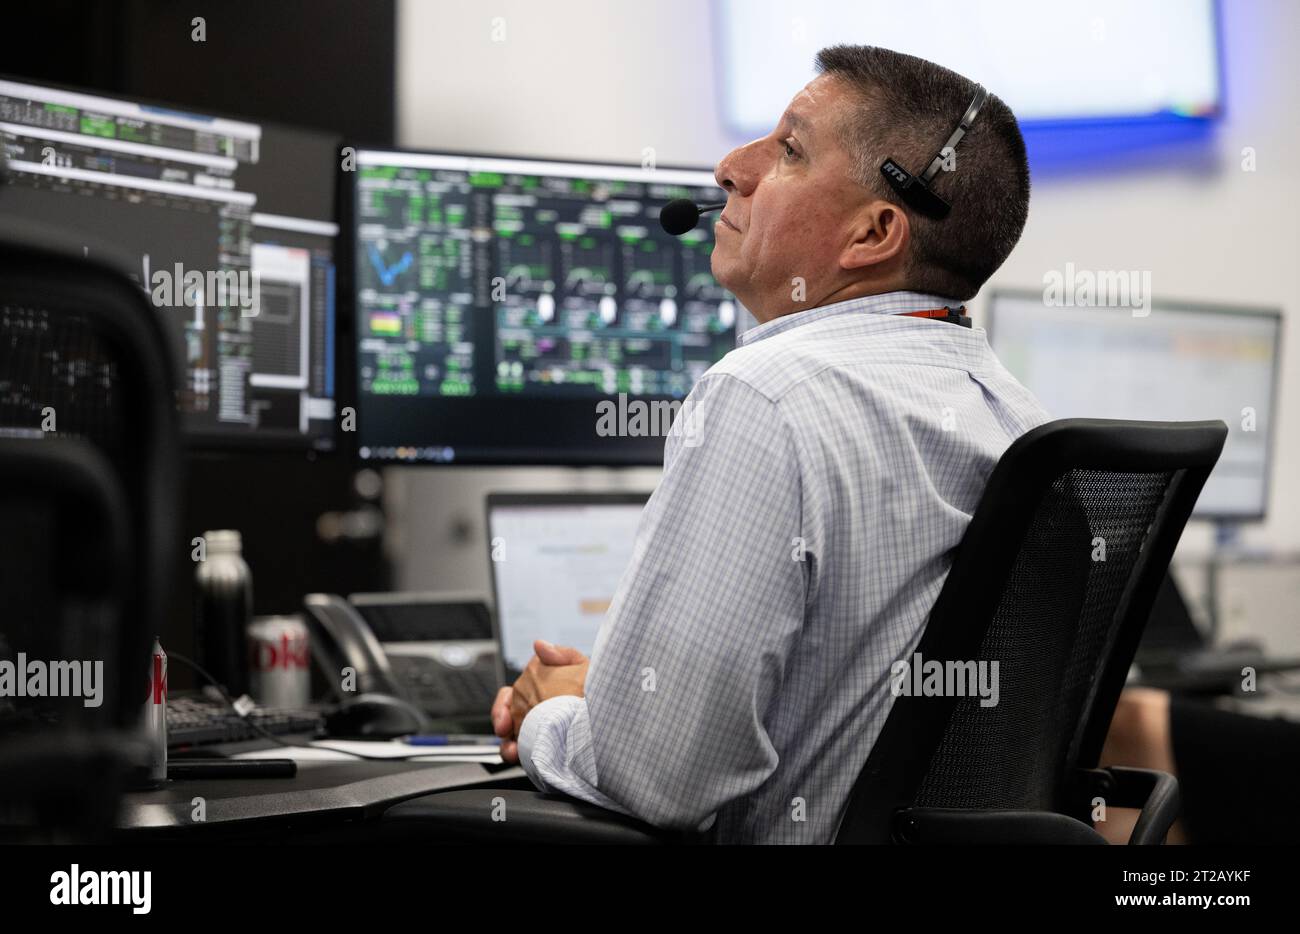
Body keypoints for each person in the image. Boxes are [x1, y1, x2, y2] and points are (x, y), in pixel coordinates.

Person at [491, 45, 1047, 843]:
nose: (730, 167)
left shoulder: (767, 397)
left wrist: (555, 717)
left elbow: (663, 781)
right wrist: (623, 700)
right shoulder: (1016, 419)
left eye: (788, 149)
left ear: (874, 232)